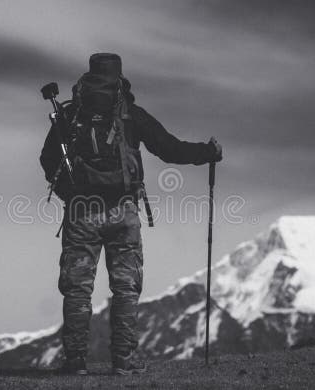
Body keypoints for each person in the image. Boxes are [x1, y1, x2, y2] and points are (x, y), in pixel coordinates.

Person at [40, 53, 222, 375]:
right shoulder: (130, 115)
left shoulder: (70, 114)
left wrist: (72, 194)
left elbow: (47, 159)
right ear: (120, 76)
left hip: (80, 213)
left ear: (90, 74)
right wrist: (207, 152)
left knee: (78, 289)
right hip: (123, 212)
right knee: (125, 288)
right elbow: (169, 148)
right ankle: (124, 361)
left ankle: (75, 362)